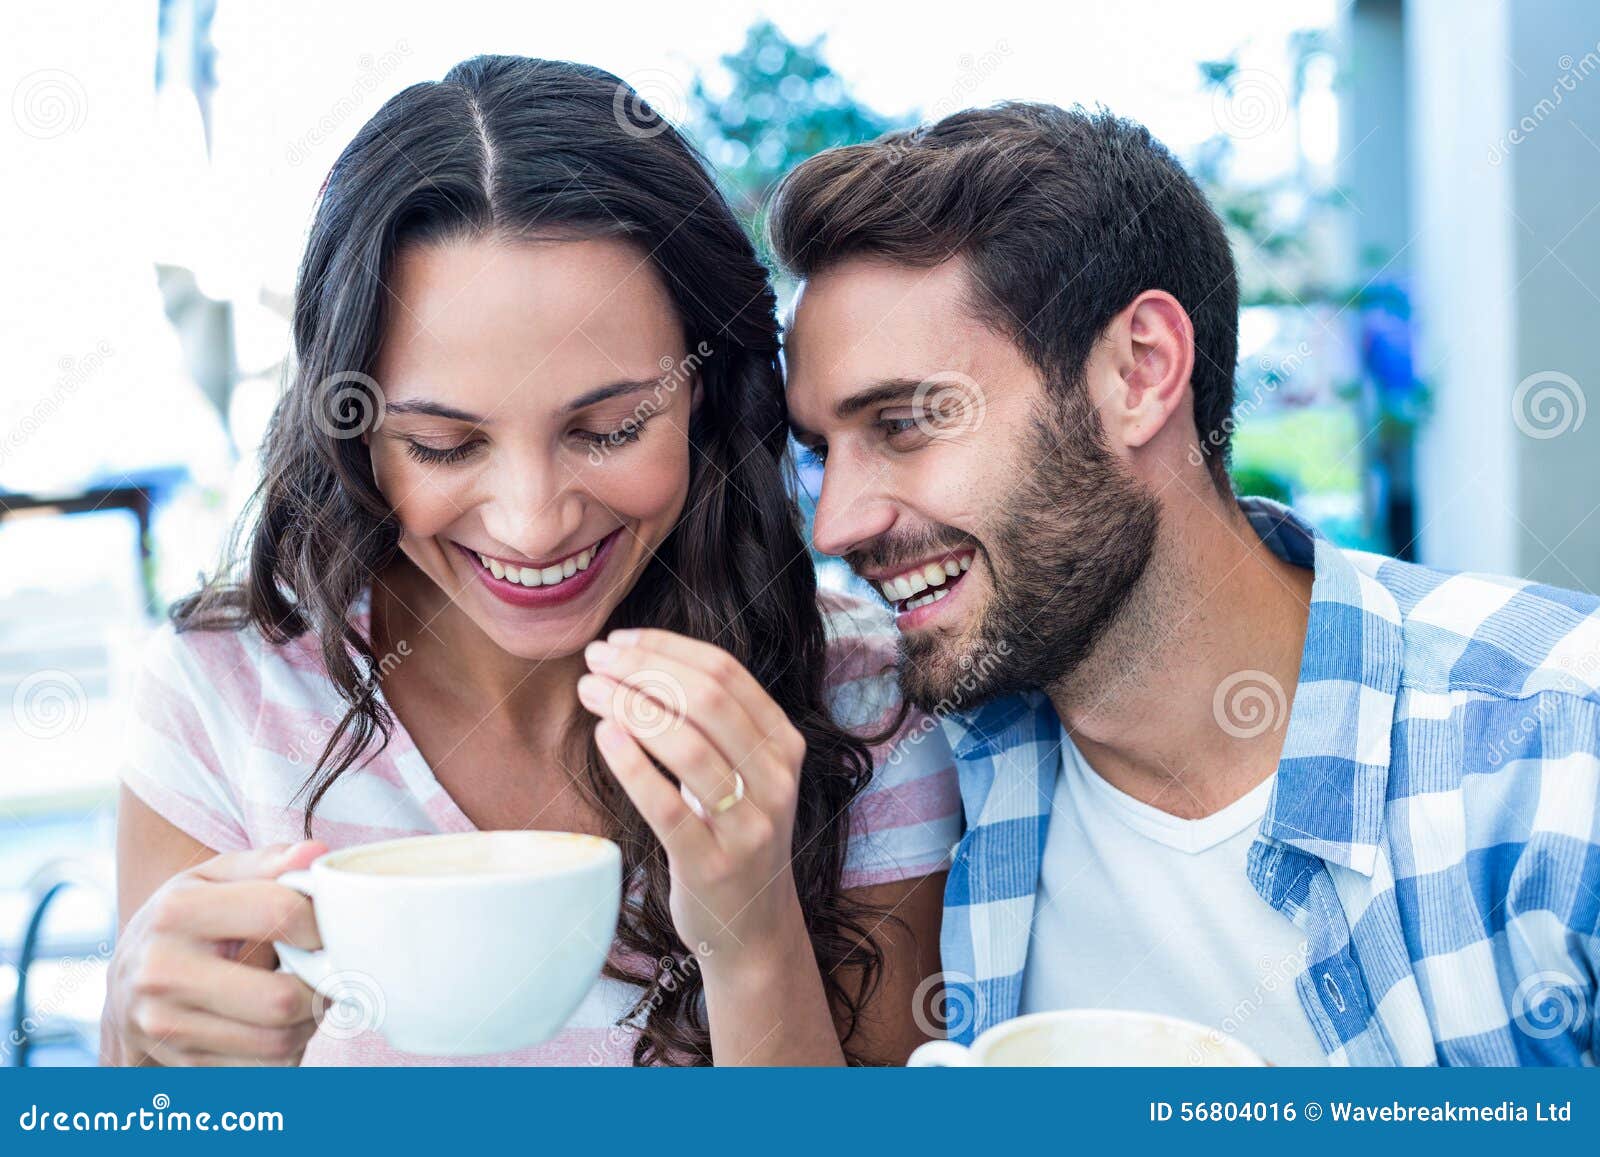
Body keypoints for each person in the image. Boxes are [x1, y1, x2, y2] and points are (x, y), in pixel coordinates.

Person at [103, 55, 958, 1068]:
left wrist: (750, 926)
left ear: (708, 392)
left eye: (608, 427)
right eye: (443, 443)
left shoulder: (854, 700)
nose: (533, 522)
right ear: (353, 433)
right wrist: (132, 1048)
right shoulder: (224, 692)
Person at [774, 102, 1600, 1066]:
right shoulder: (916, 765)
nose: (837, 524)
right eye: (822, 451)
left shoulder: (1558, 752)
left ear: (1139, 372)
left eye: (905, 424)